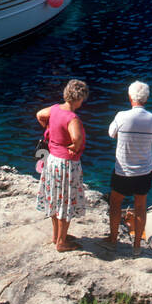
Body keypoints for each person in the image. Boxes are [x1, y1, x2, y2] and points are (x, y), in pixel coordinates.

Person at [102, 81, 152, 254]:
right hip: (145, 170)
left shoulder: (121, 116)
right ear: (146, 98)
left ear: (130, 97)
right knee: (141, 206)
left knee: (115, 203)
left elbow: (111, 134)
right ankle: (136, 247)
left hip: (123, 170)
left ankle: (113, 240)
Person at [35, 79, 88, 251]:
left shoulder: (55, 109)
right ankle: (62, 242)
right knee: (66, 202)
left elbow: (40, 115)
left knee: (54, 198)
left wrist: (49, 127)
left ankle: (56, 236)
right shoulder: (73, 118)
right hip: (66, 165)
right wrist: (74, 146)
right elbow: (77, 138)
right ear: (79, 99)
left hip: (51, 161)